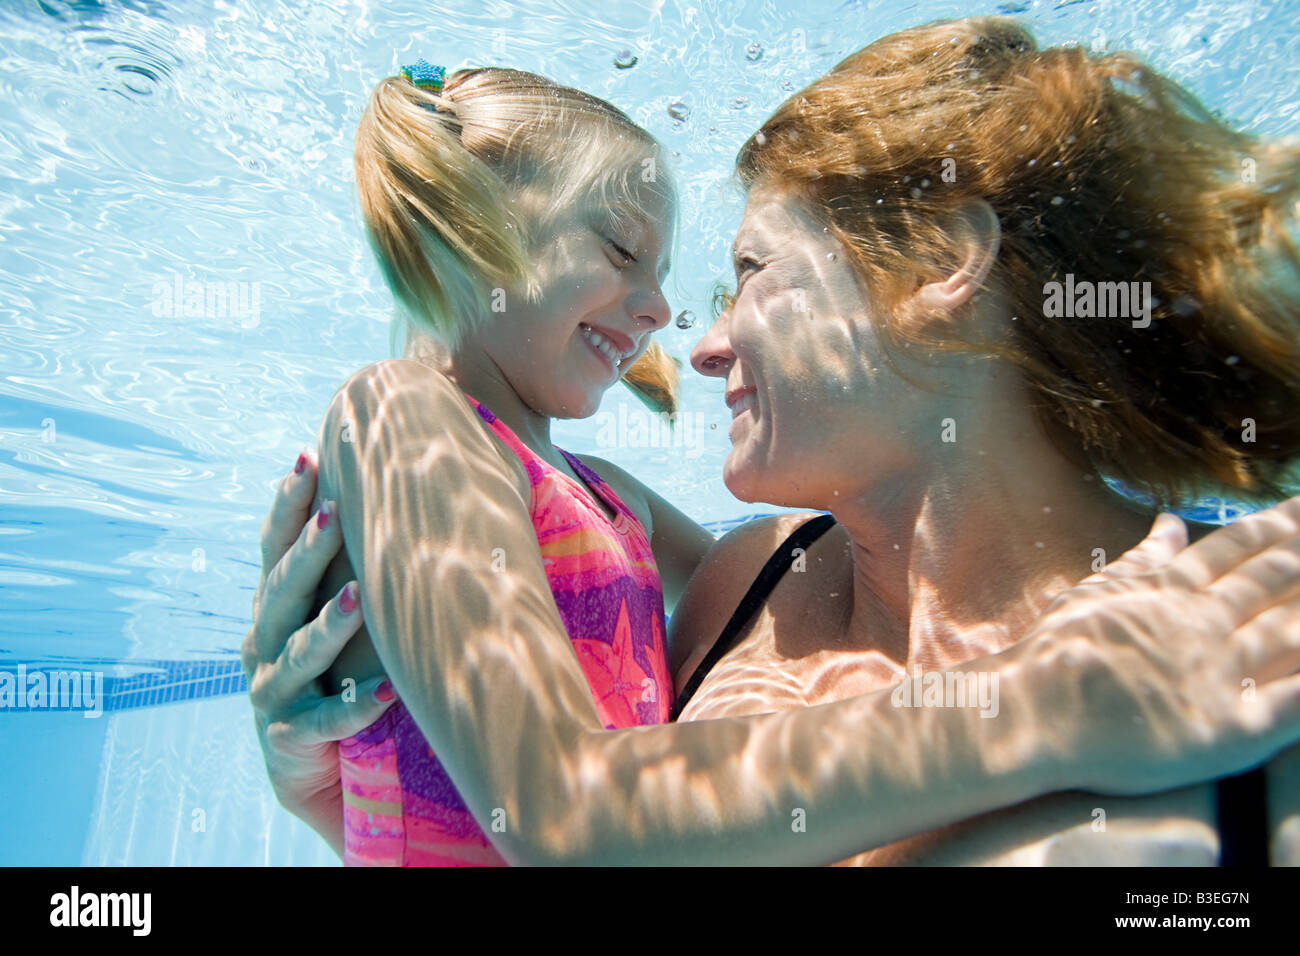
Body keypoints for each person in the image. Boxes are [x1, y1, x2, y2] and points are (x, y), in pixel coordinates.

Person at [244, 23, 1300, 866]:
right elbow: (547, 813)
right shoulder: (740, 585)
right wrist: (335, 777)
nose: (694, 346)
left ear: (939, 260)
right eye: (630, 258)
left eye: (750, 272)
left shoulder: (1246, 639)